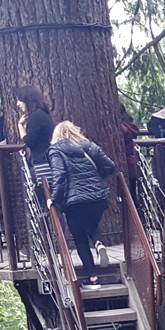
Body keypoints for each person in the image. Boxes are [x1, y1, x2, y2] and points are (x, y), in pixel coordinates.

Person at [47, 121, 118, 289]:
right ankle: (99, 243)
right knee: (92, 225)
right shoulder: (89, 145)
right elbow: (110, 165)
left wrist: (54, 198)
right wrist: (96, 178)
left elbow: (60, 175)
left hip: (75, 201)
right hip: (97, 197)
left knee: (79, 238)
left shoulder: (55, 150)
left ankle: (93, 278)